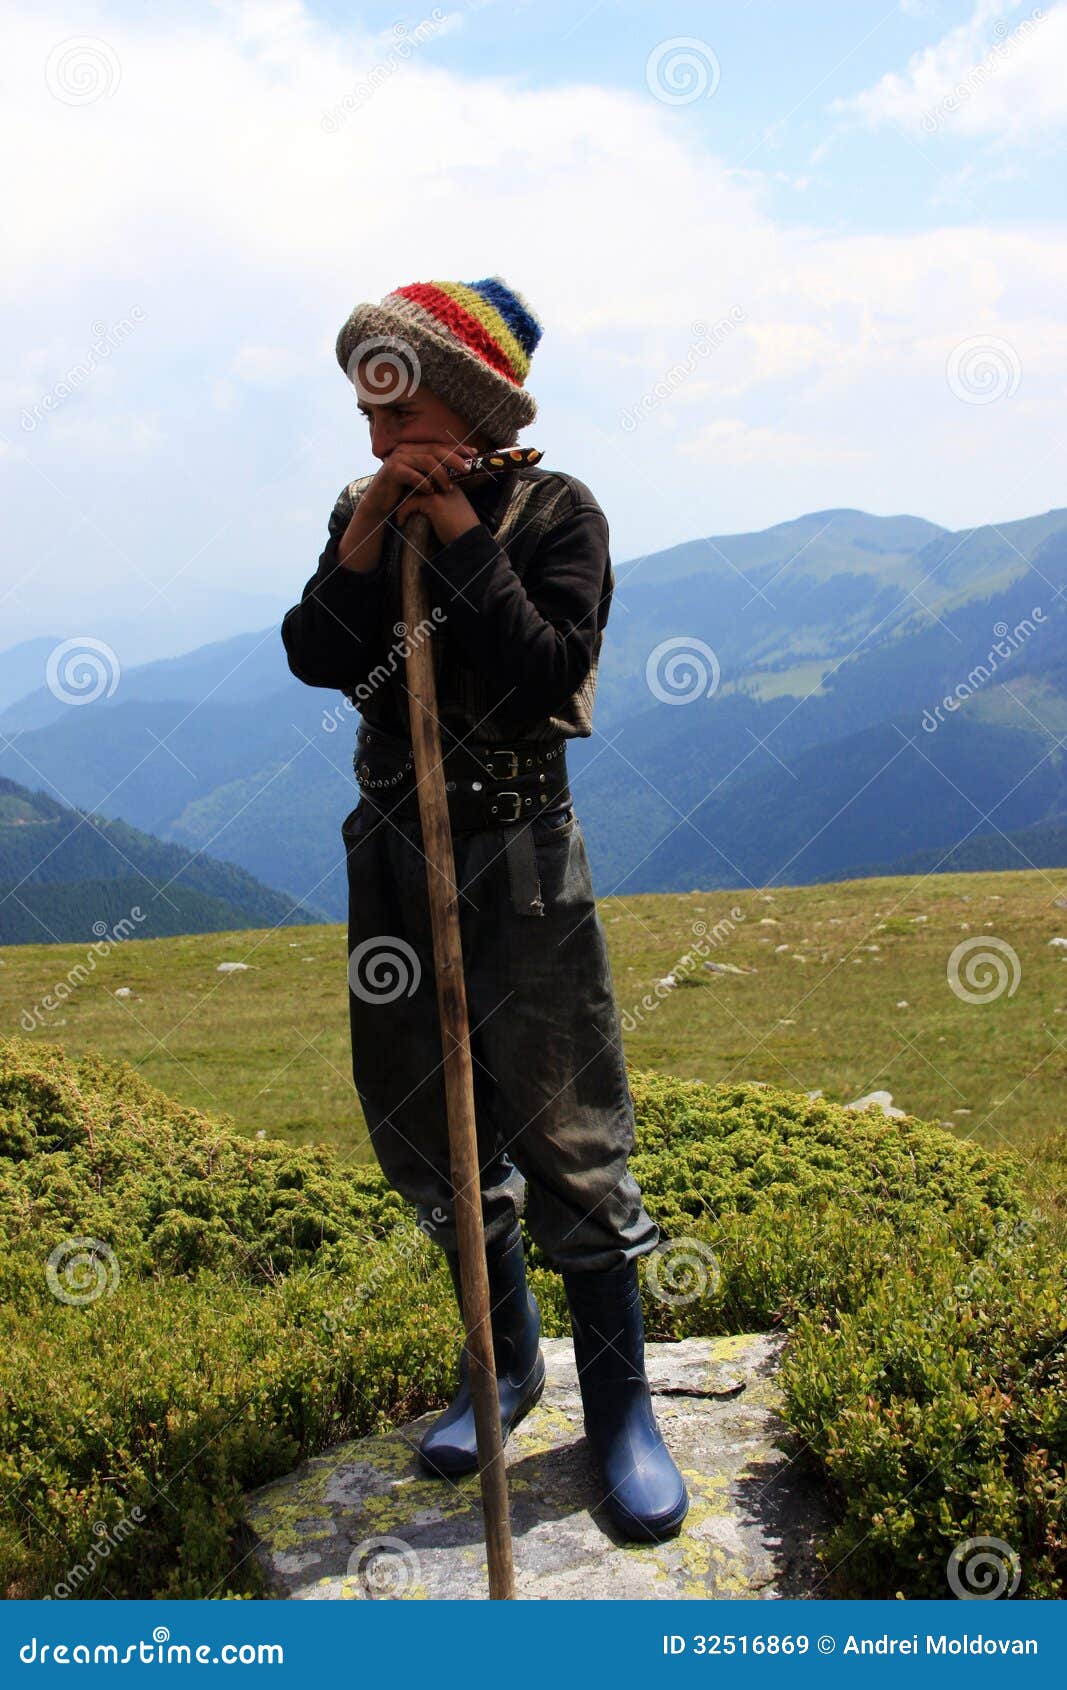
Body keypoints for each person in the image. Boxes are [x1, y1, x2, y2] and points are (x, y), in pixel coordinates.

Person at [280, 276, 688, 1543]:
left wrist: (457, 532)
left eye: (389, 408)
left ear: (454, 402)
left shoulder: (558, 511)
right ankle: (501, 1369)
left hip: (517, 856)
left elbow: (547, 670)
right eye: (362, 413)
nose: (370, 441)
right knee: (423, 1114)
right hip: (392, 853)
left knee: (564, 1112)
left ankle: (619, 1409)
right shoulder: (363, 514)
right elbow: (317, 653)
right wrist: (366, 542)